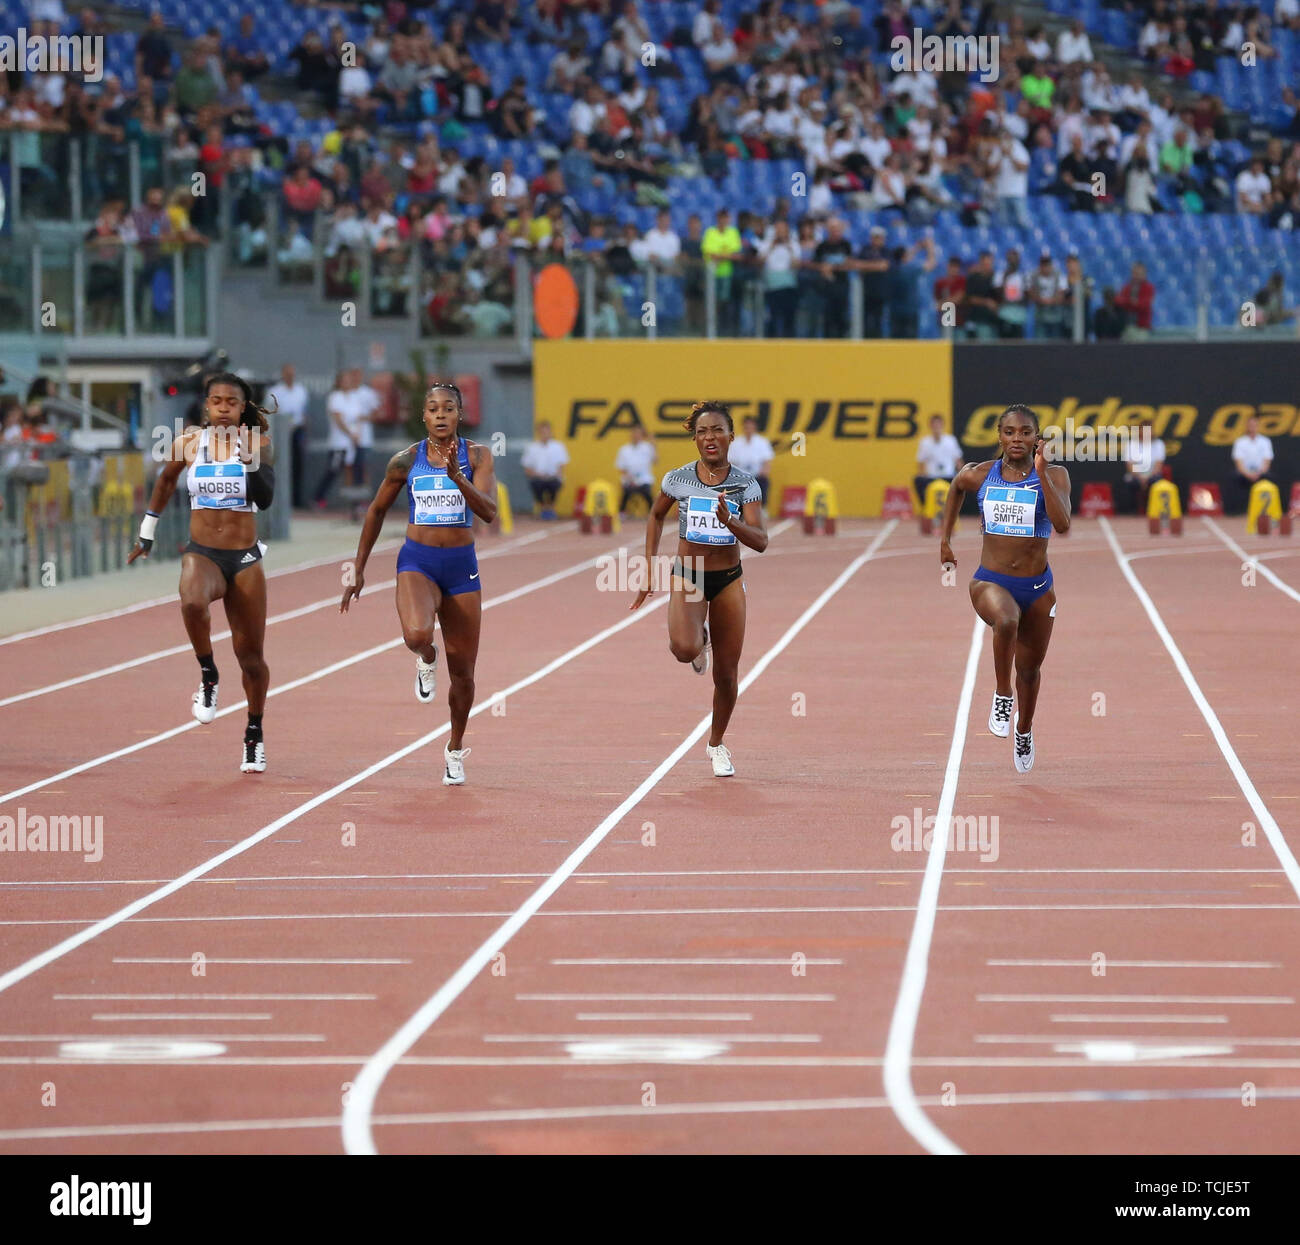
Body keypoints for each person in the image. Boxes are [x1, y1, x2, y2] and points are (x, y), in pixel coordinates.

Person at [339, 381, 498, 786]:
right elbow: (375, 511)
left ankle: (455, 747)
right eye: (433, 409)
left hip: (462, 567)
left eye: (448, 408)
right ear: (423, 417)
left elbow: (490, 513)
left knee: (463, 675)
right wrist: (358, 568)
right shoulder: (404, 461)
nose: (441, 415)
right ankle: (426, 657)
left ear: (459, 414)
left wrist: (459, 479)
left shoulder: (478, 456)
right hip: (418, 561)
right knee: (416, 634)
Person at [127, 373, 277, 773]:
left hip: (244, 559)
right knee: (192, 600)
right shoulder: (188, 442)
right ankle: (209, 674)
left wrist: (250, 465)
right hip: (203, 552)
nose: (224, 407)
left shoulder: (258, 444)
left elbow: (265, 499)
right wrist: (147, 533)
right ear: (207, 406)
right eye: (217, 400)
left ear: (243, 407)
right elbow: (165, 481)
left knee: (251, 659)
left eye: (232, 401)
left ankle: (253, 733)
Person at [631, 401, 768, 778]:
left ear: (731, 436)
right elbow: (656, 515)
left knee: (726, 673)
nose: (710, 438)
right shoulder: (677, 479)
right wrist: (648, 567)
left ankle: (717, 743)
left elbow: (761, 541)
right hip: (689, 573)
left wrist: (731, 522)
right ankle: (698, 637)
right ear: (694, 438)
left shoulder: (746, 484)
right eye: (703, 432)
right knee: (684, 648)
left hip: (728, 578)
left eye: (717, 430)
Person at [938, 405, 1071, 773]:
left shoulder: (1056, 475)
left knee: (1029, 671)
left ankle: (1024, 729)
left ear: (1036, 437)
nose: (1017, 439)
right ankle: (1001, 694)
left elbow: (1062, 524)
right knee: (1007, 619)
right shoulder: (981, 475)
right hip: (990, 581)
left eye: (1025, 432)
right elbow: (955, 488)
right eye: (1010, 432)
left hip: (1038, 588)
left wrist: (1041, 472)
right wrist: (945, 540)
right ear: (999, 435)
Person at [266, 363, 308, 509]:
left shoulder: (300, 391)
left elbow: (303, 413)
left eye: (292, 373)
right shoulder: (274, 391)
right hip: (280, 433)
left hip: (297, 431)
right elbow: (269, 413)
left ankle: (297, 500)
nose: (290, 376)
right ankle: (278, 500)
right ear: (282, 374)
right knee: (280, 465)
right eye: (287, 373)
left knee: (297, 466)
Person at [521, 420, 569, 518]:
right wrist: (538, 475)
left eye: (547, 431)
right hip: (538, 477)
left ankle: (551, 507)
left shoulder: (558, 446)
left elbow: (561, 467)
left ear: (551, 432)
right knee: (536, 484)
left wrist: (554, 475)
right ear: (538, 433)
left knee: (555, 484)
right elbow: (527, 468)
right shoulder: (532, 447)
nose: (545, 434)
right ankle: (543, 508)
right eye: (542, 432)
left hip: (553, 477)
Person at [914, 414, 964, 508]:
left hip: (948, 477)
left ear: (942, 425)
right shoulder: (925, 442)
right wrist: (922, 473)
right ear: (930, 426)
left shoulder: (951, 440)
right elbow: (921, 462)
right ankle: (926, 508)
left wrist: (962, 474)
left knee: (964, 480)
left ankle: (954, 508)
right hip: (931, 477)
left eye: (938, 424)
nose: (936, 427)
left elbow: (958, 460)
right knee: (918, 480)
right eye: (934, 425)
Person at [729, 415, 775, 507]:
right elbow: (731, 462)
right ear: (743, 427)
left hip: (758, 477)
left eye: (751, 427)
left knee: (763, 483)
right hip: (741, 478)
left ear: (755, 427)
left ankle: (762, 510)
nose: (749, 429)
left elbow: (767, 462)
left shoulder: (762, 442)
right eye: (746, 427)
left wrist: (762, 474)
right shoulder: (736, 443)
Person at [1231, 415, 1274, 514]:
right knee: (1234, 477)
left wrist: (1258, 473)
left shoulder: (1265, 441)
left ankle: (1267, 510)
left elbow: (1267, 462)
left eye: (1255, 425)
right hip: (1245, 472)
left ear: (1258, 426)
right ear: (1247, 426)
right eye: (1250, 425)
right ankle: (1237, 510)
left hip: (1261, 472)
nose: (1252, 427)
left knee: (1271, 478)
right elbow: (1239, 463)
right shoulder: (1240, 442)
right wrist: (1248, 474)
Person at [1122, 419, 1166, 514]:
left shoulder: (1159, 444)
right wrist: (1141, 477)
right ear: (1140, 431)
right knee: (1129, 482)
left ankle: (1154, 510)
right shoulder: (1132, 444)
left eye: (1149, 430)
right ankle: (1132, 511)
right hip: (1136, 474)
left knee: (1156, 481)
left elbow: (1158, 466)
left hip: (1153, 474)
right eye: (1144, 430)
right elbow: (1130, 466)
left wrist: (1147, 477)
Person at [615, 423, 657, 517]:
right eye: (634, 433)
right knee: (626, 492)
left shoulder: (648, 447)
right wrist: (631, 479)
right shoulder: (624, 449)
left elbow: (655, 461)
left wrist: (654, 445)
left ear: (642, 435)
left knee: (648, 493)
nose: (636, 436)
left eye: (638, 434)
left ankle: (652, 513)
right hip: (629, 479)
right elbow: (621, 467)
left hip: (644, 479)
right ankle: (622, 513)